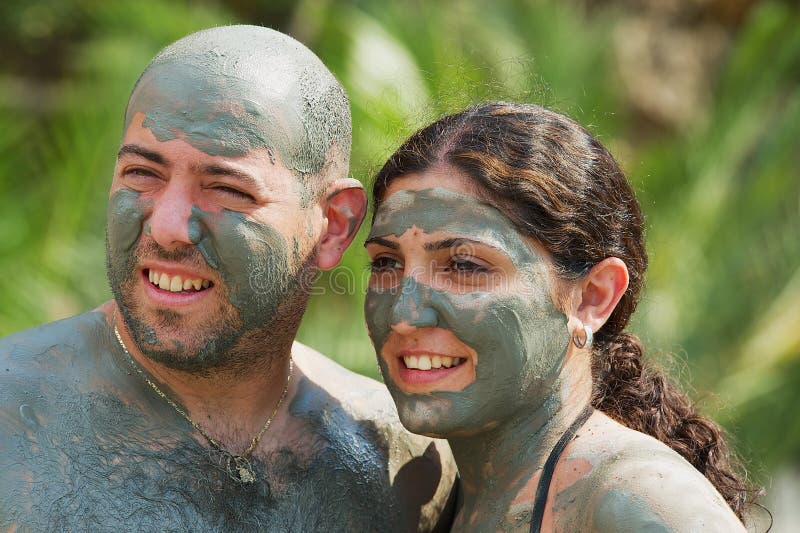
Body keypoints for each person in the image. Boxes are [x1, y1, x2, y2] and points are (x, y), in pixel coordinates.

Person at [0, 25, 456, 531]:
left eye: (227, 189)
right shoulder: (12, 420)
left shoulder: (400, 460)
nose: (169, 226)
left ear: (332, 226)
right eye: (142, 174)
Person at [364, 102, 753, 531]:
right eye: (385, 263)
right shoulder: (441, 496)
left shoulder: (639, 502)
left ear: (591, 298)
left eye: (465, 266)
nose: (403, 313)